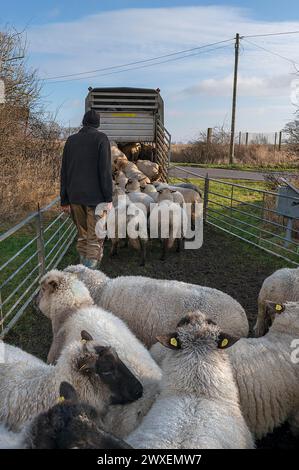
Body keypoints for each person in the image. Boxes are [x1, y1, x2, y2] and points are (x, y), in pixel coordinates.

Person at [60, 109, 112, 269]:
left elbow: (64, 171)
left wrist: (64, 199)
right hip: (96, 200)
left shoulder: (71, 140)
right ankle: (90, 276)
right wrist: (108, 198)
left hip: (75, 197)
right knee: (95, 238)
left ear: (83, 122)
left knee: (82, 236)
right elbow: (105, 171)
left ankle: (82, 271)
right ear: (98, 124)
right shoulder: (101, 139)